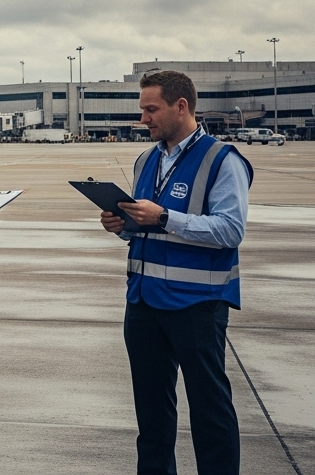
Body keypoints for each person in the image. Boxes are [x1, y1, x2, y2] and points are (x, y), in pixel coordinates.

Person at [100, 70, 250, 475]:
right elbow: (144, 231)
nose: (143, 119)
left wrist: (165, 217)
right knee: (152, 418)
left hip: (197, 306)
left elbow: (231, 229)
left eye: (151, 109)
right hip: (144, 303)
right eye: (142, 110)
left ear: (181, 106)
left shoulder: (222, 159)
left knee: (210, 413)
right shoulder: (146, 159)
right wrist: (124, 226)